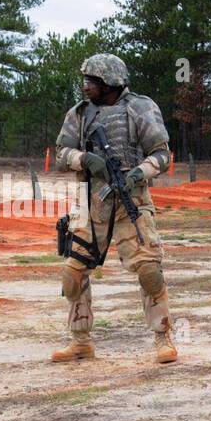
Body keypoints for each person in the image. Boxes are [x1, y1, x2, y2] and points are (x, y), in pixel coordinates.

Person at [52, 53, 177, 364]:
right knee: (73, 273)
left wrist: (138, 172)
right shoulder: (79, 114)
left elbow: (162, 155)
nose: (85, 87)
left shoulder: (140, 107)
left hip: (131, 200)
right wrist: (85, 160)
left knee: (149, 270)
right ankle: (81, 341)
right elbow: (61, 152)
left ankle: (163, 338)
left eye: (91, 81)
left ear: (109, 82)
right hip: (90, 202)